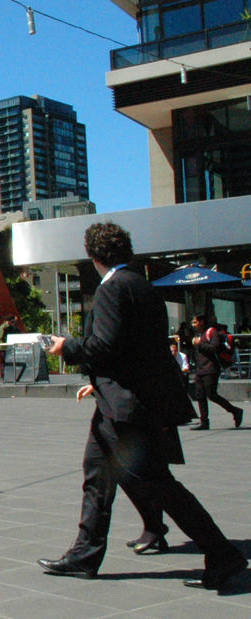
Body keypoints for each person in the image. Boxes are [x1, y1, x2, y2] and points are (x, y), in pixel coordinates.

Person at [42, 222, 246, 590]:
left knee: (157, 484)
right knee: (97, 475)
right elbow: (138, 349)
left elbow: (104, 345)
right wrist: (99, 383)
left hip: (127, 406)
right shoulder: (143, 287)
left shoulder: (112, 289)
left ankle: (223, 553)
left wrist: (66, 347)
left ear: (92, 255)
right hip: (130, 399)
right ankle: (85, 554)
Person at [190, 314, 243, 430]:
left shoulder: (211, 332)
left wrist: (199, 344)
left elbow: (215, 348)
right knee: (200, 395)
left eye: (195, 322)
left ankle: (235, 411)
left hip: (211, 369)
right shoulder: (199, 334)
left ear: (202, 321)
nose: (193, 325)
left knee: (212, 395)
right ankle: (204, 422)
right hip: (200, 370)